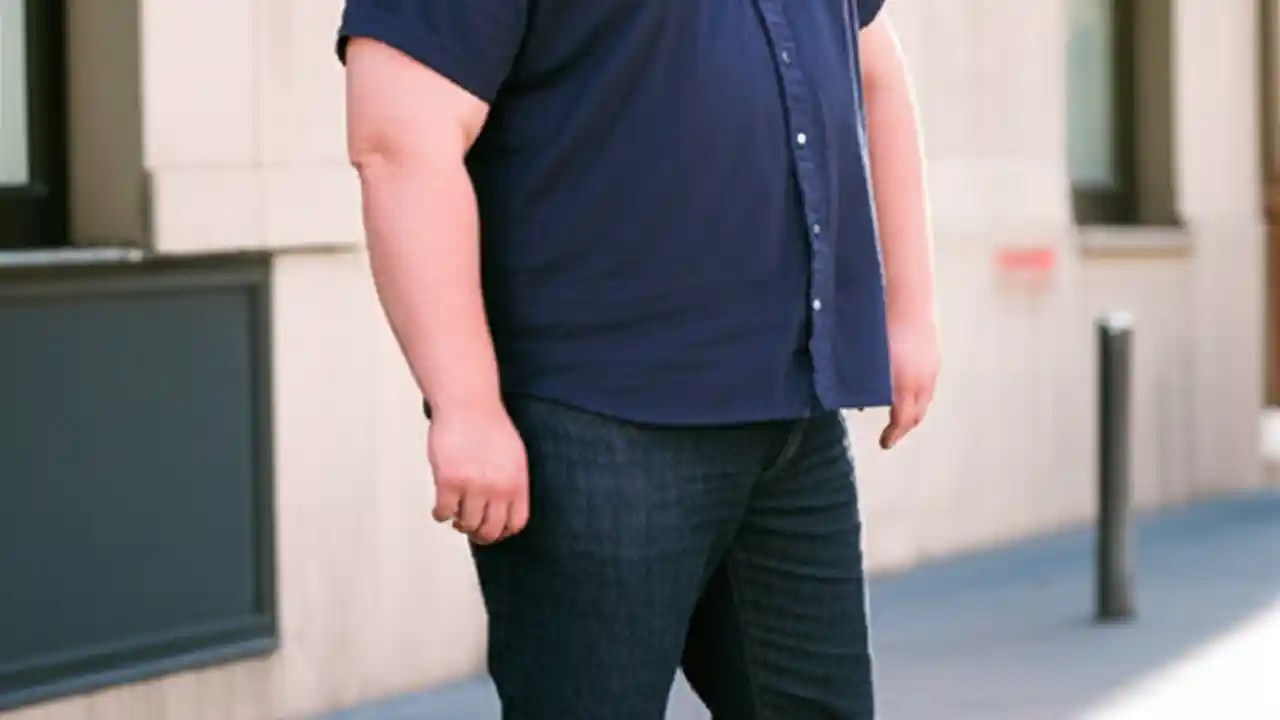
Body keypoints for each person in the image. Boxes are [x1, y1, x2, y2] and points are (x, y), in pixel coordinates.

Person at [339, 0, 937, 716]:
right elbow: (400, 141)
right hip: (598, 427)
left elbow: (874, 69)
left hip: (792, 421)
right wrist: (465, 405)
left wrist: (909, 308)